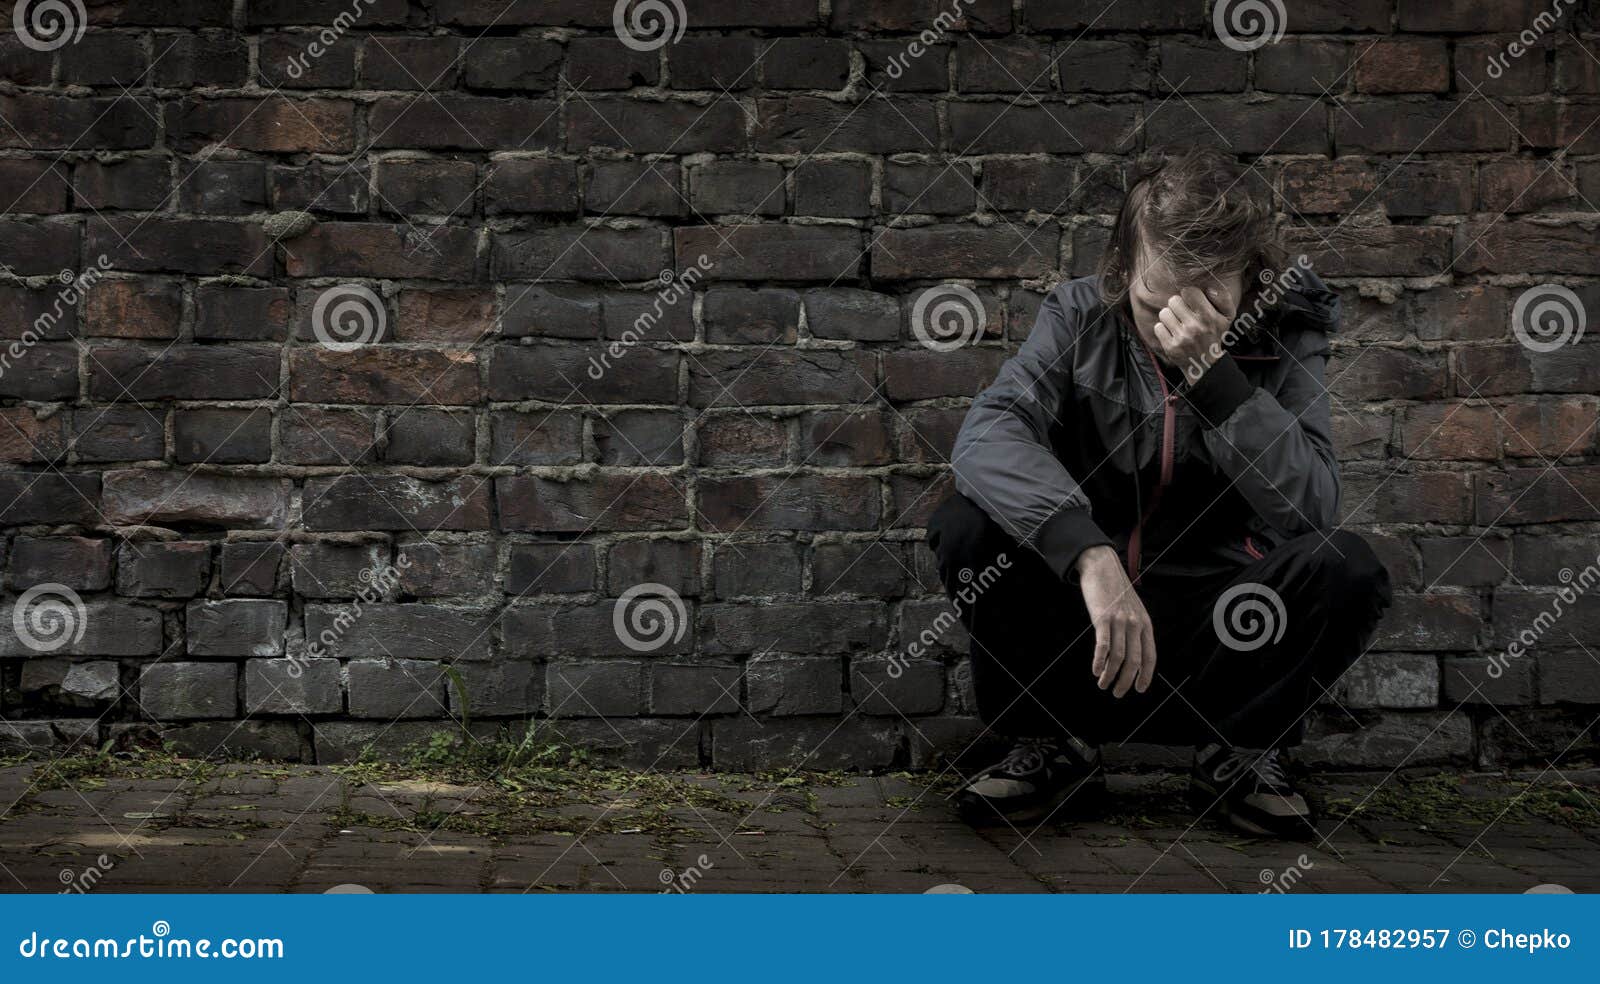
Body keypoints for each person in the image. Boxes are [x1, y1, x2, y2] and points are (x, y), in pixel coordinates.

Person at [926, 147, 1392, 839]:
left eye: (1209, 306)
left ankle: (1238, 754)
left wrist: (1216, 378)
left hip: (1224, 626)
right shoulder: (1079, 315)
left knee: (1346, 565)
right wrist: (1087, 553)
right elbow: (987, 435)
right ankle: (1053, 743)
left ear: (1250, 281)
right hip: (1089, 622)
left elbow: (1312, 508)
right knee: (967, 524)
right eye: (1154, 305)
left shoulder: (1288, 332)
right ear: (1122, 271)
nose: (1176, 327)